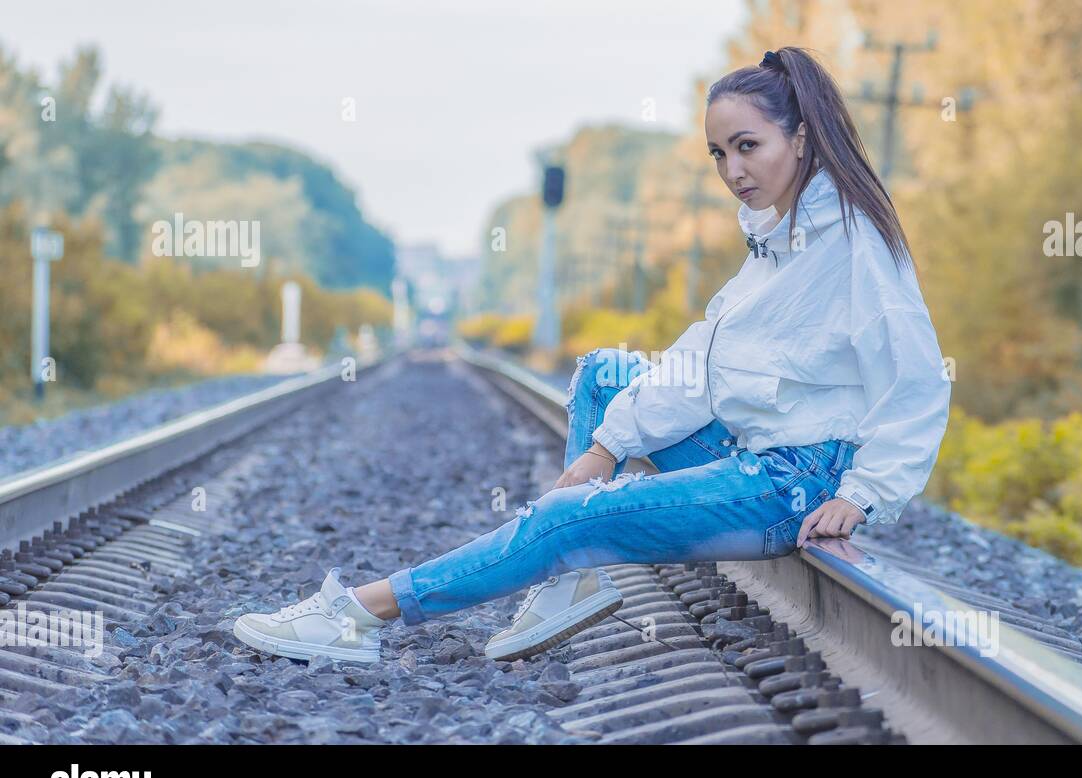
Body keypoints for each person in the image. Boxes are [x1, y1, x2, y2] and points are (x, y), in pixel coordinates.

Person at [232, 46, 951, 666]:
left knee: (564, 522)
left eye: (747, 146)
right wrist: (607, 445)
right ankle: (565, 579)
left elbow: (919, 382)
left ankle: (357, 614)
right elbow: (701, 368)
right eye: (718, 153)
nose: (732, 170)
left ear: (801, 139)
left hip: (795, 484)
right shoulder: (776, 241)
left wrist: (861, 494)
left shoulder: (853, 243)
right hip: (756, 451)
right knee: (607, 374)